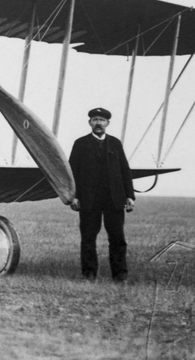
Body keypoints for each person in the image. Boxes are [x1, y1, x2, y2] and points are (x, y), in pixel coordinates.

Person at [68, 107, 135, 281]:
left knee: (117, 238)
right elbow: (72, 172)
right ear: (90, 122)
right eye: (95, 119)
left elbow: (124, 171)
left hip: (114, 199)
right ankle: (89, 274)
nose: (98, 123)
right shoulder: (80, 144)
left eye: (102, 120)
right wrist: (73, 196)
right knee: (88, 238)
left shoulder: (115, 143)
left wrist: (130, 196)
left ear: (107, 123)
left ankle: (120, 275)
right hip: (89, 200)